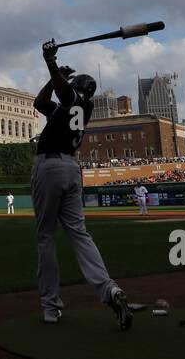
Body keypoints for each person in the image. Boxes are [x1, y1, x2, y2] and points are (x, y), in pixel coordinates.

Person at [31, 39, 131, 330]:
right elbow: (40, 103)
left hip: (49, 167)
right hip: (71, 170)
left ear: (78, 88)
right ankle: (110, 290)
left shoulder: (74, 103)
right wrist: (54, 76)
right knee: (80, 235)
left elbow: (63, 93)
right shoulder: (73, 110)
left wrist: (51, 63)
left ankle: (51, 306)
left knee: (46, 237)